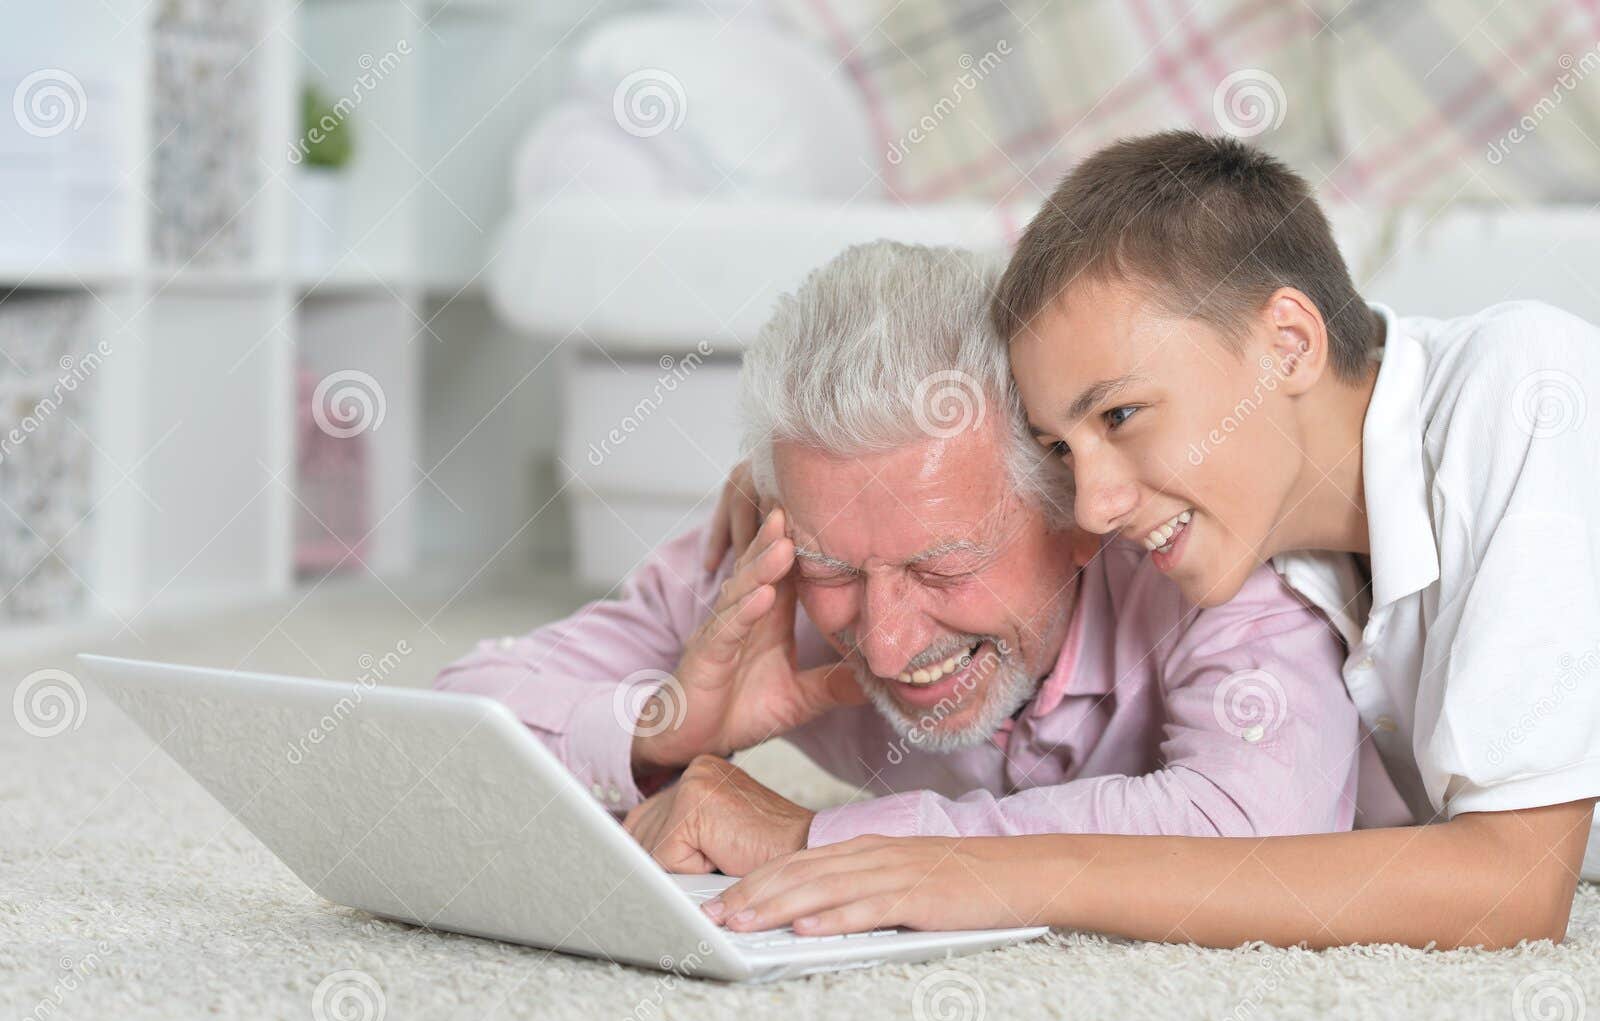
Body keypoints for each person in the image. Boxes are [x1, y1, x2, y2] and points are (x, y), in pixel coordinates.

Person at [703, 133, 1597, 950]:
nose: (1092, 505)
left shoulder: (1524, 391)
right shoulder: (1277, 522)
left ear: (1288, 344)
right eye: (1060, 447)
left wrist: (996, 873)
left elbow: (1511, 884)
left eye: (1120, 415)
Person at [434, 242, 1370, 881]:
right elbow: (449, 728)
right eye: (840, 571)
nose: (883, 646)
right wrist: (666, 728)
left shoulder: (1201, 552)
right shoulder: (774, 566)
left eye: (942, 567)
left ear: (1078, 504)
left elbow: (1263, 828)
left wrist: (814, 838)